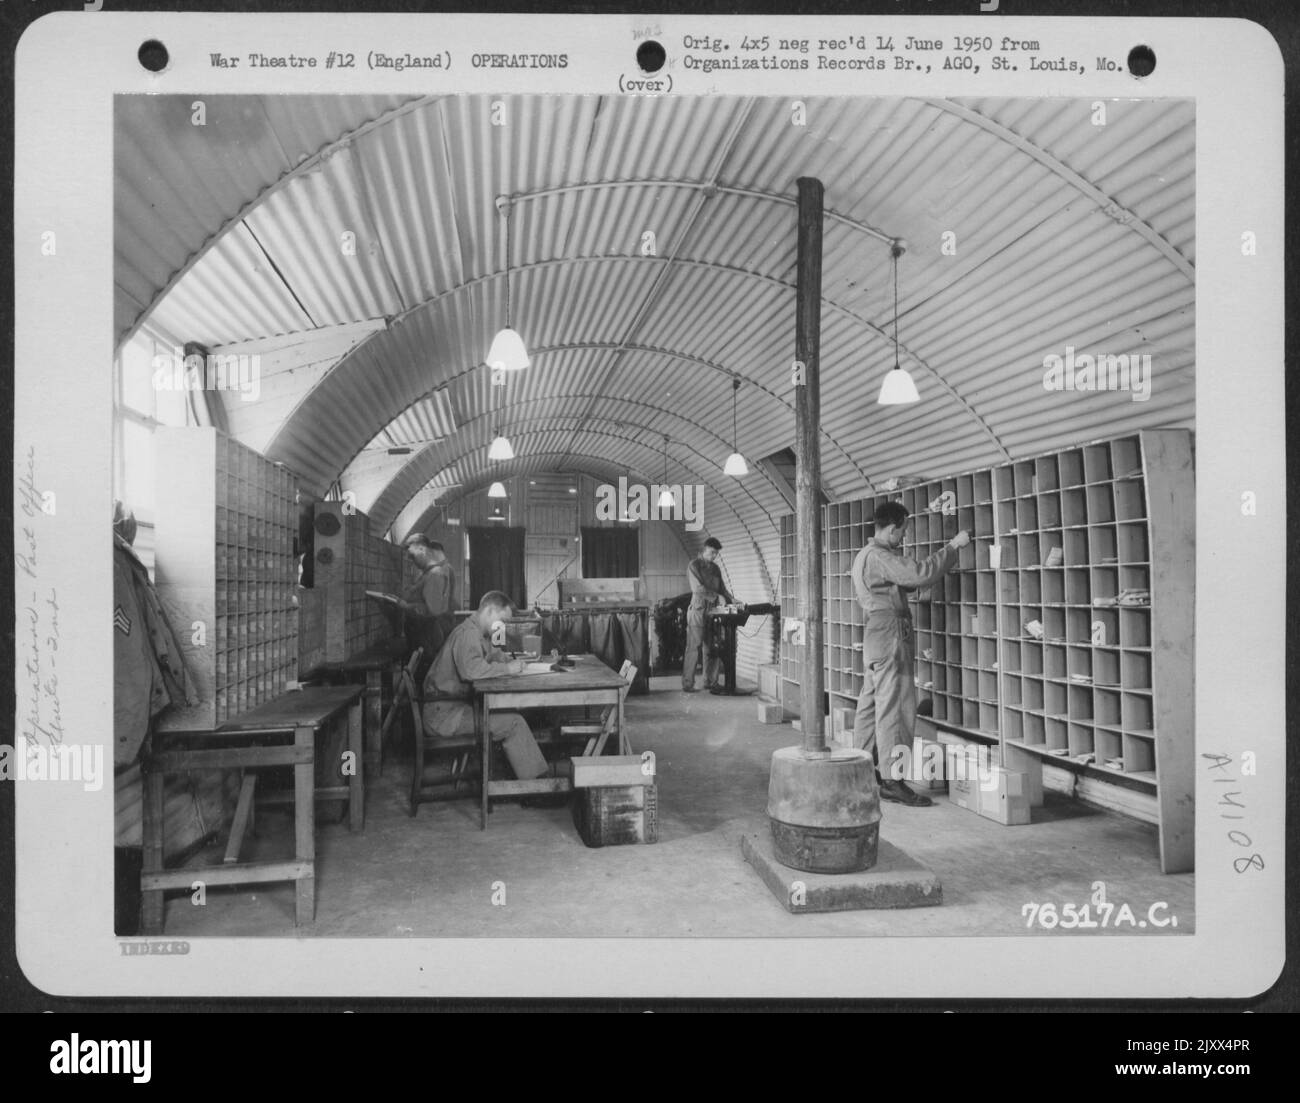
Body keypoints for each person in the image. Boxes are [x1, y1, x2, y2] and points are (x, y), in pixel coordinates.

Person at [852, 501, 970, 806]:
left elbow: (895, 586)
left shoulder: (865, 554)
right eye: (903, 531)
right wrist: (953, 547)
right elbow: (920, 572)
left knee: (870, 705)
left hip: (876, 634)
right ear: (892, 528)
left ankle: (861, 770)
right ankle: (893, 780)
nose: (904, 538)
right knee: (897, 707)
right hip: (891, 634)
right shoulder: (880, 555)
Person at [421, 590, 551, 781]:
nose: (502, 626)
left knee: (513, 713)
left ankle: (529, 777)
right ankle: (536, 787)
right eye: (501, 620)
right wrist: (508, 668)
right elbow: (471, 671)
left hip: (453, 709)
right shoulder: (468, 634)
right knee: (514, 722)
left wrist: (514, 662)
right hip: (444, 717)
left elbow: (495, 653)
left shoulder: (482, 632)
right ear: (489, 611)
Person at [682, 536, 742, 692]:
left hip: (713, 612)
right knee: (693, 648)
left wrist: (733, 600)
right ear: (703, 551)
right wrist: (717, 597)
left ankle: (711, 681)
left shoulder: (715, 569)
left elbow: (722, 590)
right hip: (698, 611)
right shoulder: (693, 566)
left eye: (716, 554)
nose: (714, 556)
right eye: (711, 552)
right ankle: (688, 683)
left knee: (713, 648)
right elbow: (698, 589)